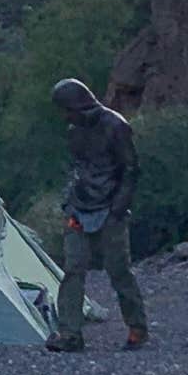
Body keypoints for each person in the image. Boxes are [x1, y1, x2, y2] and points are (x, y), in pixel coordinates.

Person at [45, 77, 147, 352]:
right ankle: (69, 333)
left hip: (110, 207)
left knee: (118, 270)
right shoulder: (74, 131)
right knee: (73, 269)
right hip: (80, 206)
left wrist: (117, 209)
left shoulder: (116, 126)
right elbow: (78, 168)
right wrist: (70, 203)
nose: (66, 115)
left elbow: (130, 170)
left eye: (67, 109)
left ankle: (137, 327)